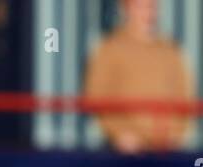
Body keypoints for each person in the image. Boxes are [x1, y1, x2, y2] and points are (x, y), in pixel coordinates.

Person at [83, 0, 194, 153]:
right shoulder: (108, 48)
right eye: (140, 6)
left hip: (166, 150)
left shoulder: (171, 50)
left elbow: (186, 98)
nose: (147, 12)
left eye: (151, 6)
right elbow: (95, 97)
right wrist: (119, 134)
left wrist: (177, 134)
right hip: (123, 152)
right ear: (125, 9)